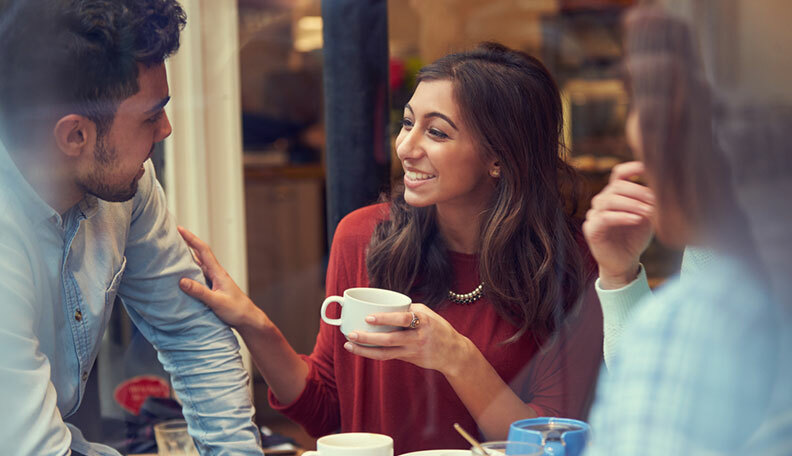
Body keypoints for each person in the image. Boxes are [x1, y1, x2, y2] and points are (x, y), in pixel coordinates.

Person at [178, 42, 603, 454]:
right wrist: (254, 325)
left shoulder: (569, 264)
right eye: (407, 122)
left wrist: (456, 357)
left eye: (436, 132)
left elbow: (549, 446)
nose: (406, 147)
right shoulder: (364, 237)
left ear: (499, 156)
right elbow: (327, 410)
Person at [0, 1, 263, 454]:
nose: (167, 129)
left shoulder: (125, 187)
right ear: (74, 136)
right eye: (149, 116)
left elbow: (192, 336)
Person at [583, 6, 791, 454]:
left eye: (639, 101)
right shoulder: (727, 259)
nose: (632, 130)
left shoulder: (714, 303)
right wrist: (620, 276)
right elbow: (668, 402)